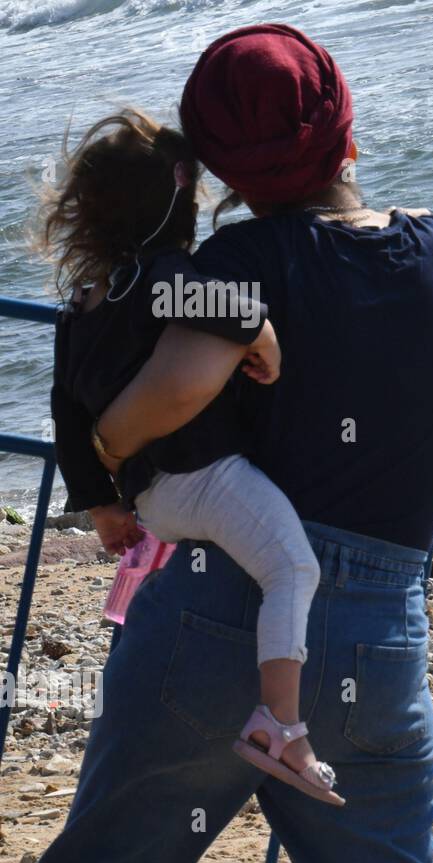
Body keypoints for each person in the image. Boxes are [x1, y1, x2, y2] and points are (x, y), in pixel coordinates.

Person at [40, 23, 433, 863]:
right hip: (378, 635)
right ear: (346, 129)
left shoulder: (231, 260)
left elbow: (174, 387)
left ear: (225, 174)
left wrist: (104, 445)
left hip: (214, 614)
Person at [39, 107, 343, 808]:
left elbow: (66, 416)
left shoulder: (80, 306)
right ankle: (280, 724)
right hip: (201, 475)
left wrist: (103, 510)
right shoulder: (164, 276)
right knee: (292, 568)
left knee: (252, 565)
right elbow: (224, 309)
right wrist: (263, 336)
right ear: (174, 206)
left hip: (151, 496)